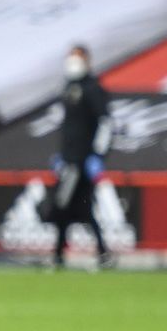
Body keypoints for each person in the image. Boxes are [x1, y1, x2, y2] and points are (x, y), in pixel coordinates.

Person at [43, 44, 112, 268]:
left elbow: (105, 123)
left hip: (82, 161)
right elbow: (68, 127)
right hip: (68, 159)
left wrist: (98, 155)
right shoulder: (67, 87)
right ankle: (71, 254)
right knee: (76, 208)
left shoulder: (92, 88)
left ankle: (61, 255)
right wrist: (61, 155)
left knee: (66, 205)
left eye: (77, 58)